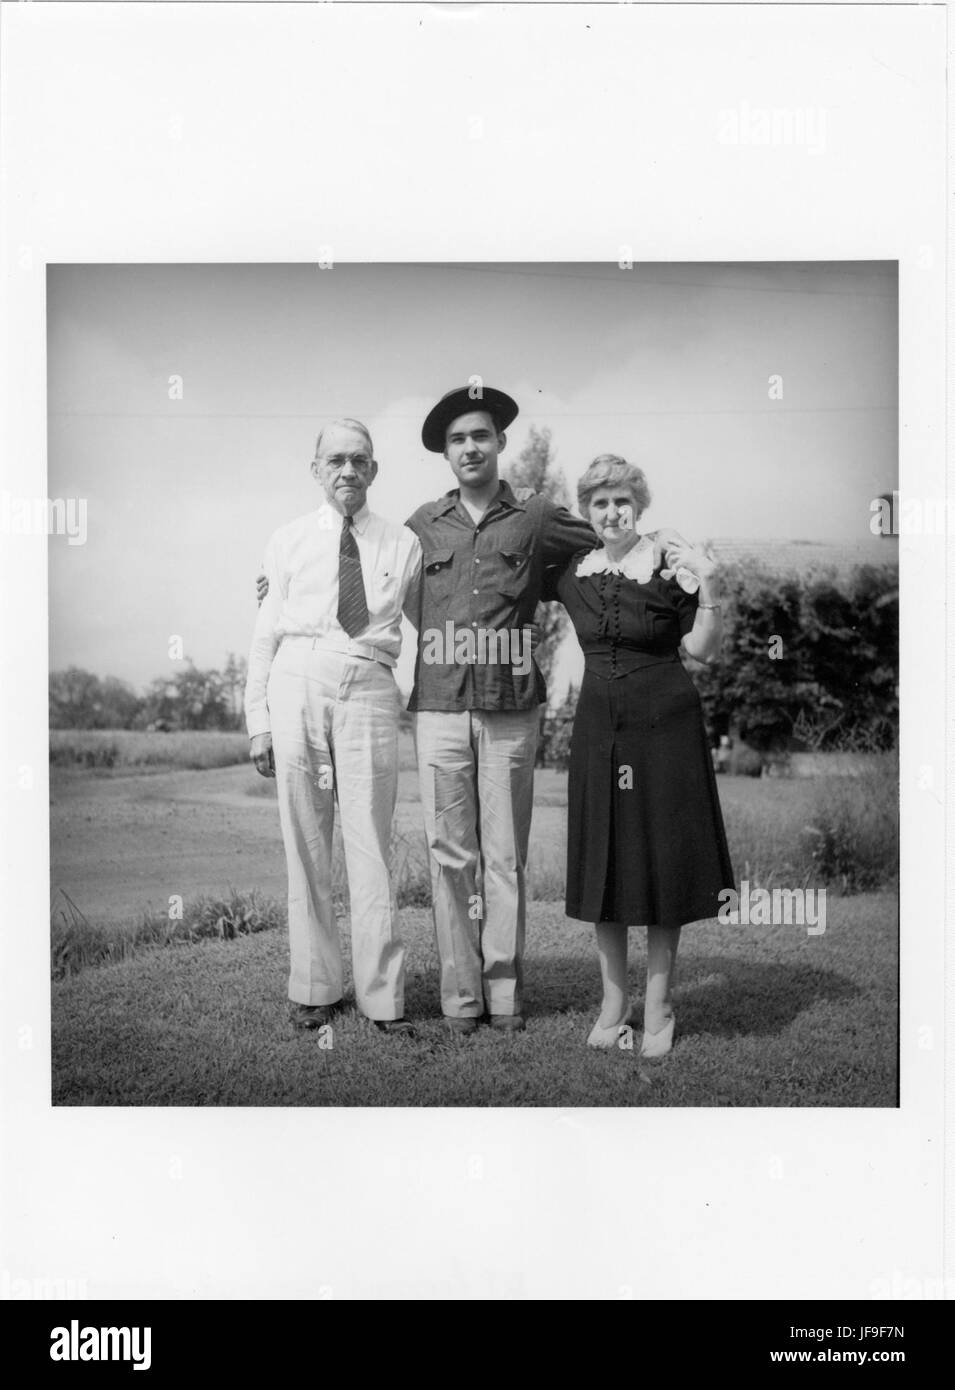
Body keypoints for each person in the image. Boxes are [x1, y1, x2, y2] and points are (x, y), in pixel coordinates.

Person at [405, 385, 600, 1034]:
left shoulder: (538, 517)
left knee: (505, 856)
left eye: (479, 436)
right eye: (457, 439)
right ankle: (461, 999)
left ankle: (506, 995)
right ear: (445, 452)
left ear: (499, 443)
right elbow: (392, 593)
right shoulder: (421, 525)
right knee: (450, 855)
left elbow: (598, 548)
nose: (469, 447)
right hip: (437, 706)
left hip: (512, 709)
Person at [544, 454, 734, 1058]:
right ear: (587, 512)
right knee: (604, 861)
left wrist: (711, 584)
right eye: (599, 502)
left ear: (639, 506)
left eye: (622, 500)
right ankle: (612, 1003)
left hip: (667, 724)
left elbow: (703, 651)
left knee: (662, 862)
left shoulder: (668, 569)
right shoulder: (573, 572)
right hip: (601, 727)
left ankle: (659, 1008)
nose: (612, 511)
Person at [245, 419, 422, 1034]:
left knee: (370, 843)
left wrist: (420, 692)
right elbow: (265, 633)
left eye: (360, 460)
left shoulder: (403, 544)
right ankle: (315, 988)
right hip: (296, 681)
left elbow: (432, 618)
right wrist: (257, 720)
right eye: (336, 460)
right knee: (306, 841)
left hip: (370, 684)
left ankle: (382, 998)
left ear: (374, 469)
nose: (348, 470)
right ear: (316, 469)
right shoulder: (287, 541)